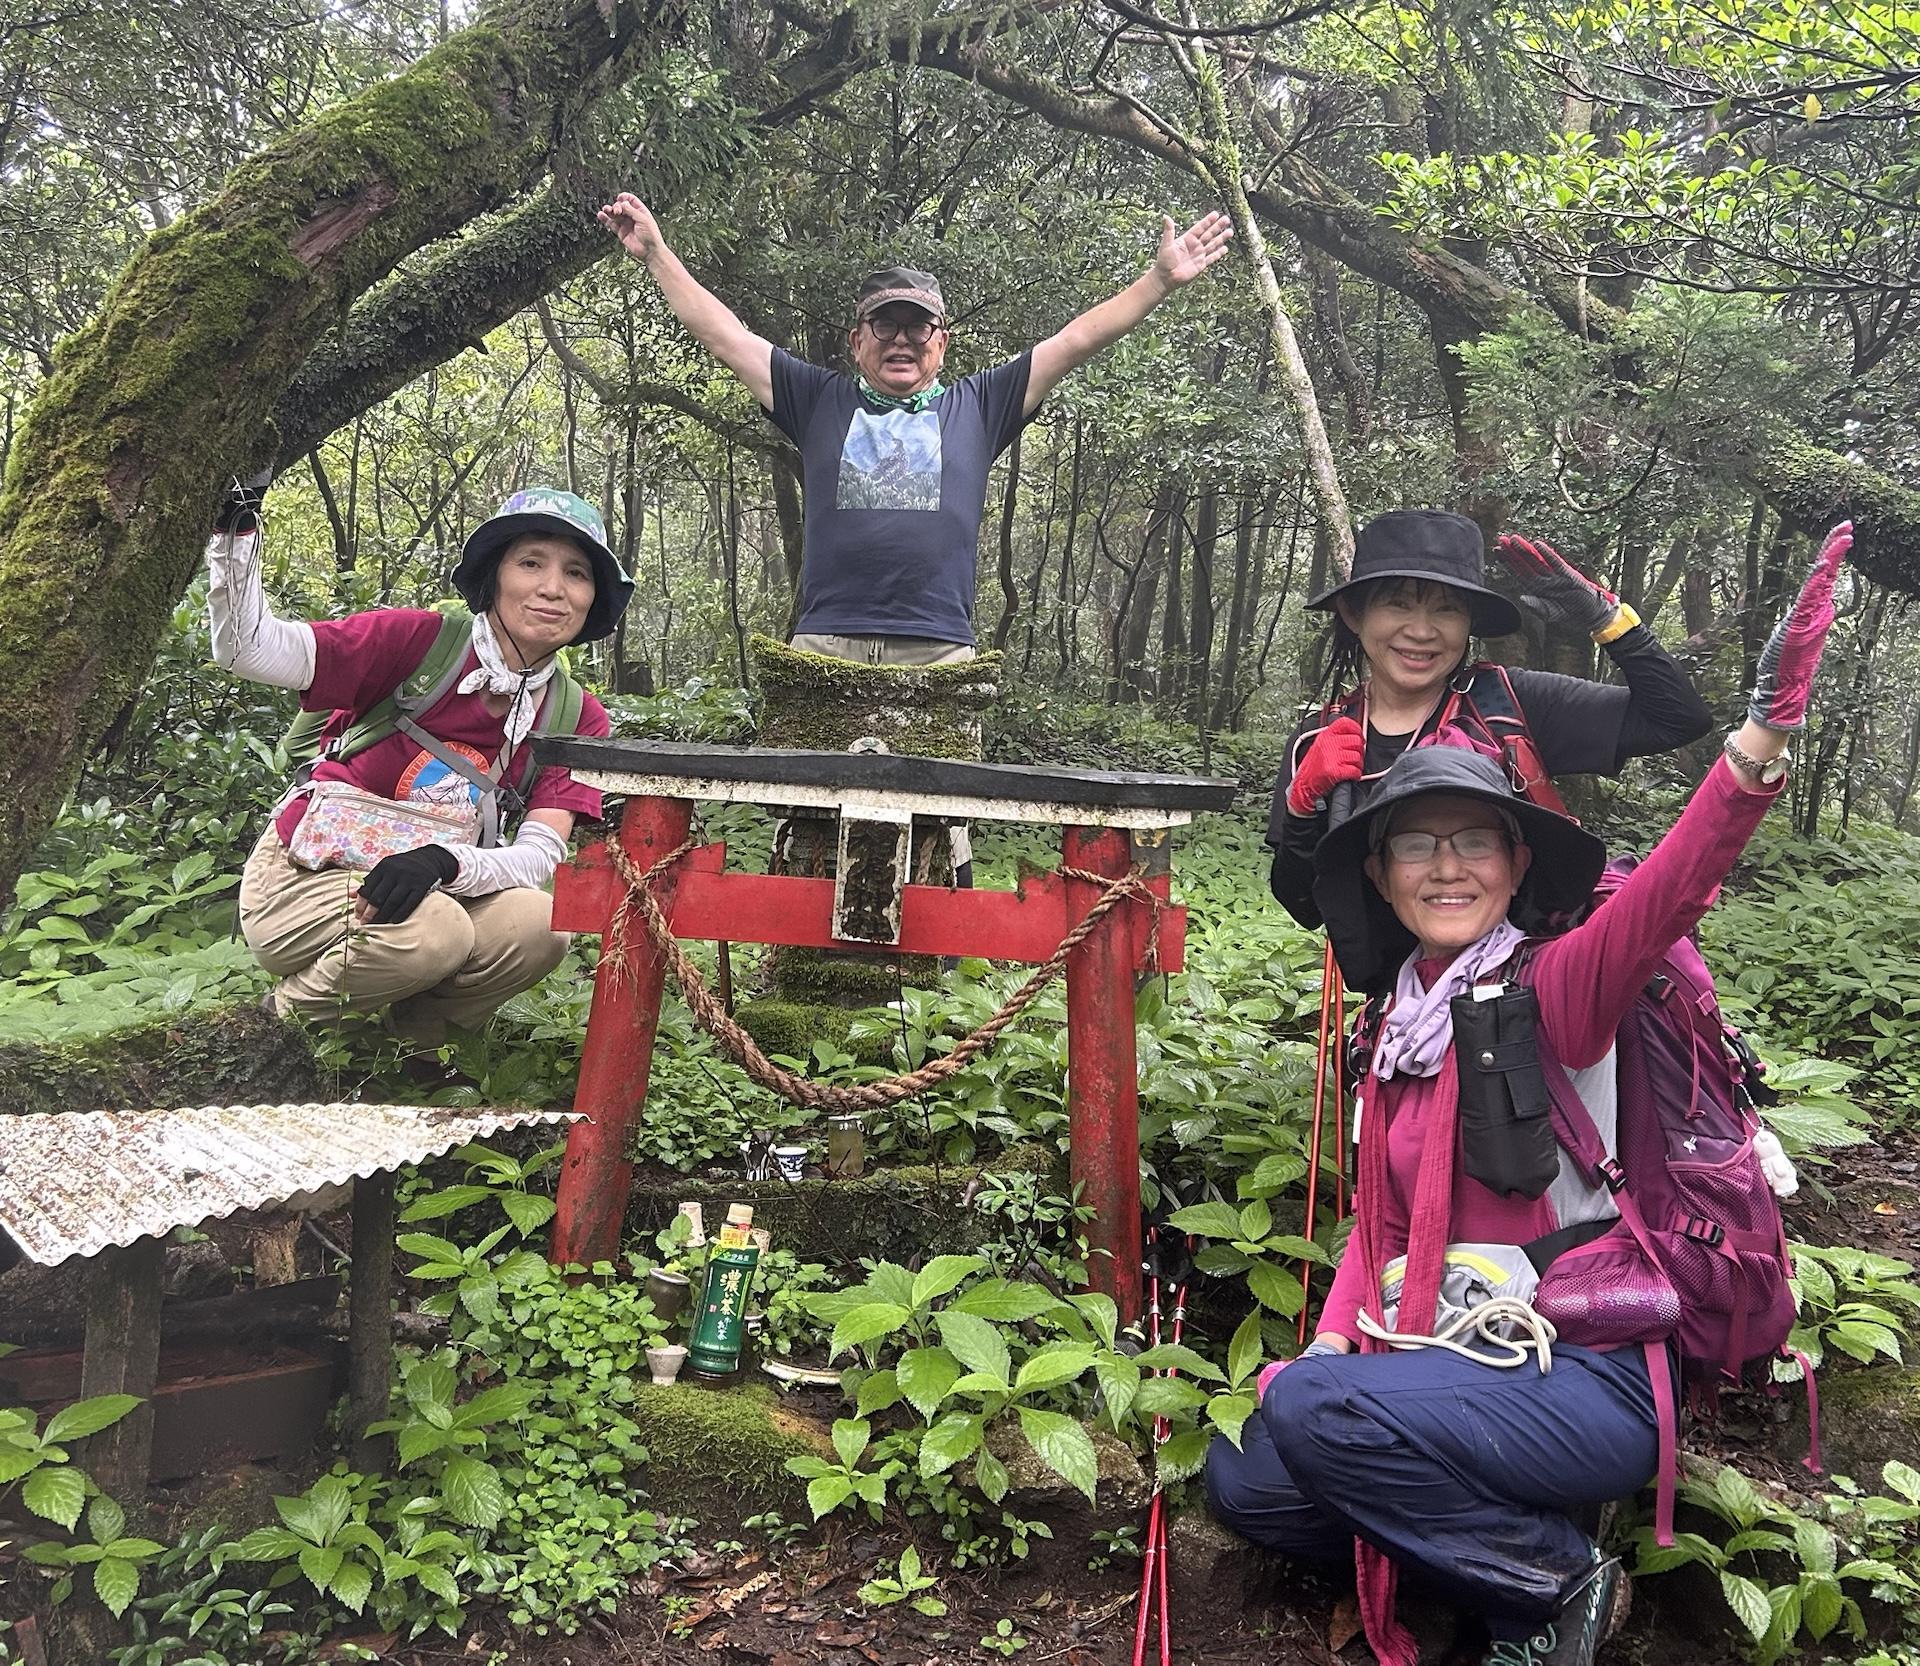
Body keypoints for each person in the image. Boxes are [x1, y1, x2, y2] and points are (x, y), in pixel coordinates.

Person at [1206, 523, 1853, 1666]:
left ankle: (1553, 1585)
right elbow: (1381, 1233)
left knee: (1318, 1423)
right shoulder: (1396, 1028)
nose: (1447, 865)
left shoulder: (1555, 988)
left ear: (1516, 865)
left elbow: (1669, 887)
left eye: (1474, 842)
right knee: (1249, 1477)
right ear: (1380, 874)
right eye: (1417, 846)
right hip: (1436, 1353)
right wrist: (1327, 1347)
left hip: (1579, 1368)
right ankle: (1499, 1549)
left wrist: (1760, 742)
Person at [598, 193, 1231, 880]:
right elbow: (724, 334)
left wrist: (1159, 280)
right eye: (885, 326)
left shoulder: (979, 406)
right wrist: (658, 256)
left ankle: (931, 975)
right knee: (810, 819)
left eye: (918, 328)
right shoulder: (819, 400)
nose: (902, 340)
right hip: (827, 641)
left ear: (941, 342)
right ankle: (799, 951)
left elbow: (1075, 340)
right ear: (858, 340)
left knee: (938, 822)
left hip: (937, 650)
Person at [205, 480, 632, 1041]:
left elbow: (539, 854)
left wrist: (444, 863)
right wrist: (236, 530)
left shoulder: (573, 715)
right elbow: (248, 649)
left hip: (434, 883)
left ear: (592, 600)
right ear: (495, 576)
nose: (553, 589)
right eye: (531, 562)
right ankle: (264, 1035)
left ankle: (411, 1053)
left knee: (538, 925)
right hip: (308, 873)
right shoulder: (417, 642)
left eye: (576, 573)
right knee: (437, 932)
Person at [1267, 509, 1714, 929]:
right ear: (1354, 614)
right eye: (1398, 604)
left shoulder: (1508, 704)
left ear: (1470, 623)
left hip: (1527, 988)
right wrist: (1302, 806)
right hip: (1404, 1002)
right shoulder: (1317, 740)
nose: (1422, 631)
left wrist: (1606, 619)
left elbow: (1676, 719)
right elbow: (1305, 908)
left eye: (1447, 608)